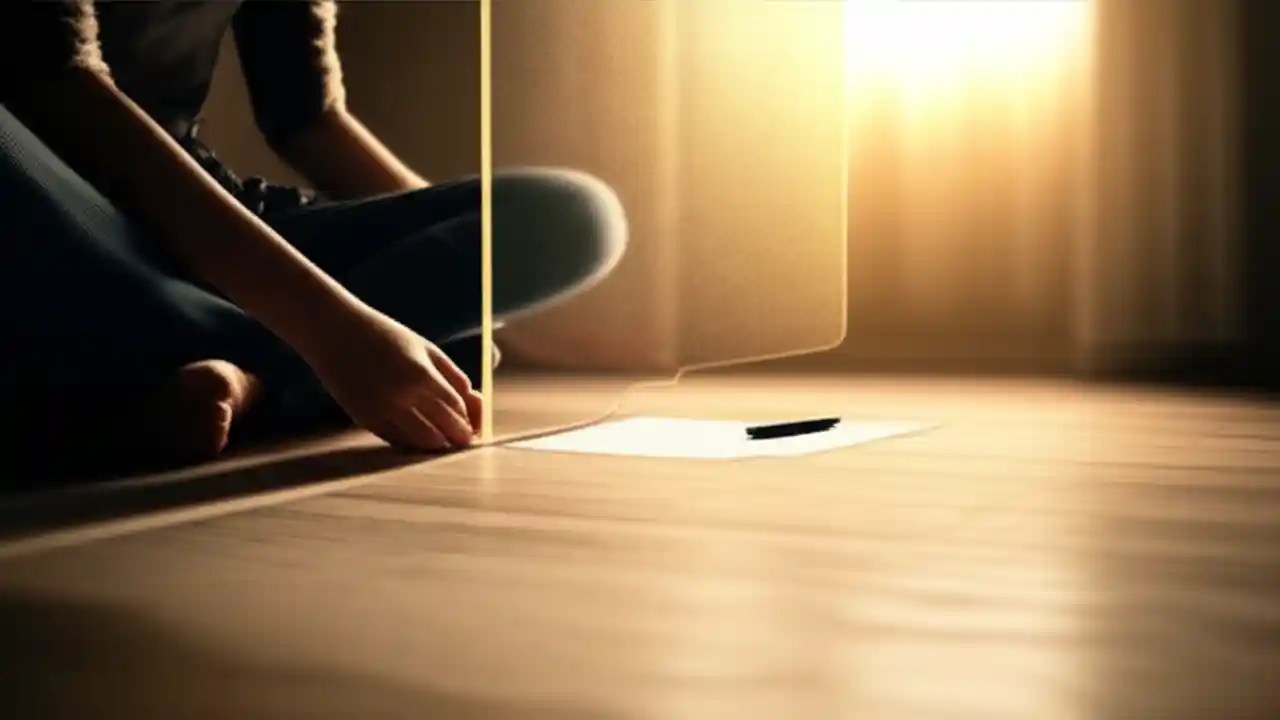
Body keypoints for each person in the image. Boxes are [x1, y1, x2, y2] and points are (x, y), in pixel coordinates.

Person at [0, 0, 627, 473]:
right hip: (58, 221)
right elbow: (61, 84)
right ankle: (268, 368)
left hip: (201, 207)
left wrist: (425, 290)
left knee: (572, 216)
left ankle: (249, 375)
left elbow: (309, 117)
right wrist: (337, 330)